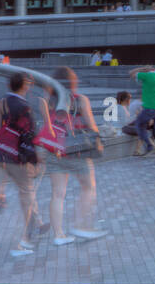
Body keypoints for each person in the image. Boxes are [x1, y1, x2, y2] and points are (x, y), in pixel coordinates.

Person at [35, 69, 106, 245]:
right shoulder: (80, 100)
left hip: (54, 149)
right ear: (72, 82)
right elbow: (91, 126)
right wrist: (99, 137)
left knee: (57, 194)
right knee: (88, 187)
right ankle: (81, 225)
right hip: (76, 150)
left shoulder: (48, 101)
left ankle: (59, 235)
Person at [0, 72, 40, 255]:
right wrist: (32, 160)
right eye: (28, 83)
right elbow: (28, 136)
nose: (29, 87)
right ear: (24, 86)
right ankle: (30, 230)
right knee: (26, 190)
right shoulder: (24, 107)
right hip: (15, 157)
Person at [129, 64, 155, 158]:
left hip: (150, 107)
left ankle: (150, 146)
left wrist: (142, 69)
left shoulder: (147, 75)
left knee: (139, 123)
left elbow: (131, 73)